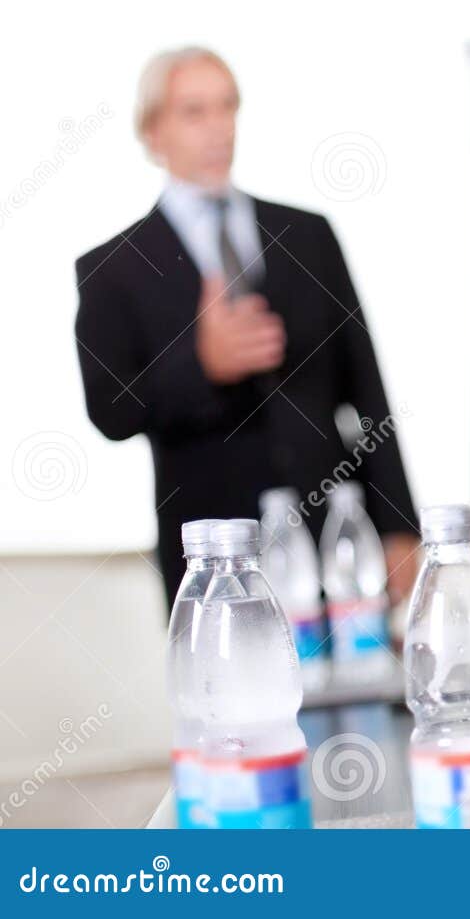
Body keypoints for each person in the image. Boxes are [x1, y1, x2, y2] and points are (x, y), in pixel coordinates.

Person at [73, 47, 419, 609]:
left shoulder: (307, 235)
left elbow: (366, 385)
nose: (219, 128)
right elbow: (110, 409)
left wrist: (399, 525)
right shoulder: (114, 269)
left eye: (227, 106)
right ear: (152, 131)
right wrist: (199, 365)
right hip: (212, 556)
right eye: (194, 111)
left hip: (333, 534)